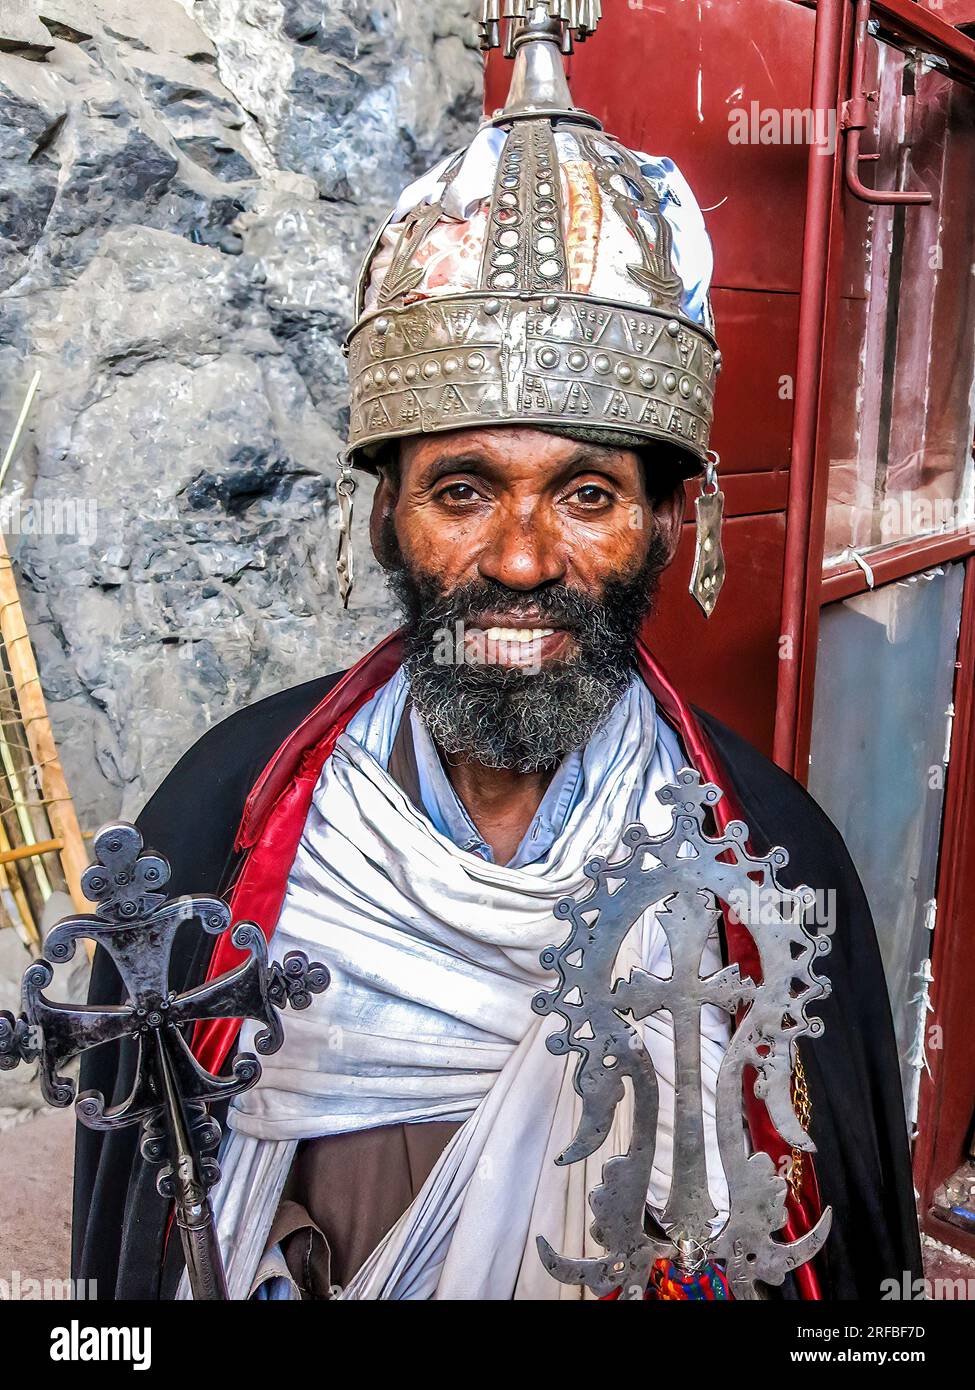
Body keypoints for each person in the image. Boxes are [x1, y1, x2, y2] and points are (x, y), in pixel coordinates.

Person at [73, 6, 921, 1301]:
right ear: (384, 517)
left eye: (585, 495)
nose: (522, 557)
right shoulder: (218, 834)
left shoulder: (774, 870)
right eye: (465, 489)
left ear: (669, 526)